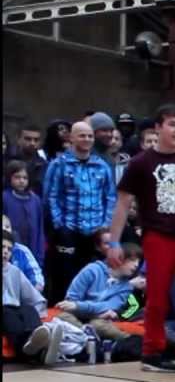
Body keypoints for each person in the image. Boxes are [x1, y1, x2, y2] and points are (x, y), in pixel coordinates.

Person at [108, 104, 175, 377]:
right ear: (157, 127)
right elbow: (122, 204)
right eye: (173, 124)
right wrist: (114, 241)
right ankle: (152, 353)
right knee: (156, 298)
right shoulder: (140, 163)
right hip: (158, 237)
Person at [44, 121, 116, 303]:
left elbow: (110, 197)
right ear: (71, 138)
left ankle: (87, 312)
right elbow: (51, 196)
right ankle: (59, 313)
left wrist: (105, 224)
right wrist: (59, 225)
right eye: (82, 135)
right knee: (63, 276)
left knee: (93, 275)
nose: (87, 139)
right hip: (68, 230)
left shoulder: (102, 166)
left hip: (95, 232)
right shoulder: (58, 164)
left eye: (90, 136)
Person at [56, 243, 143, 352]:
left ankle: (87, 338)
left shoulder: (126, 287)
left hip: (97, 319)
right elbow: (71, 300)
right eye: (132, 260)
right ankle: (89, 337)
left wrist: (79, 306)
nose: (136, 265)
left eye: (138, 262)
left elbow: (109, 306)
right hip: (77, 315)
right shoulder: (92, 270)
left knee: (99, 325)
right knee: (62, 317)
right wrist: (83, 308)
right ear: (119, 258)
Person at [3, 230, 61, 365]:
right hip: (4, 311)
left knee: (28, 308)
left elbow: (33, 296)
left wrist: (40, 313)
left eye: (9, 249)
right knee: (7, 312)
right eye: (2, 247)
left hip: (14, 308)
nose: (5, 251)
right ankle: (40, 349)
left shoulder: (14, 271)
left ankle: (36, 339)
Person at [3, 162, 45, 271]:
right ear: (9, 177)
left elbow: (40, 229)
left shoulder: (35, 200)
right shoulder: (5, 198)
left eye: (25, 178)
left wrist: (40, 256)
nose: (21, 181)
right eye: (17, 177)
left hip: (33, 253)